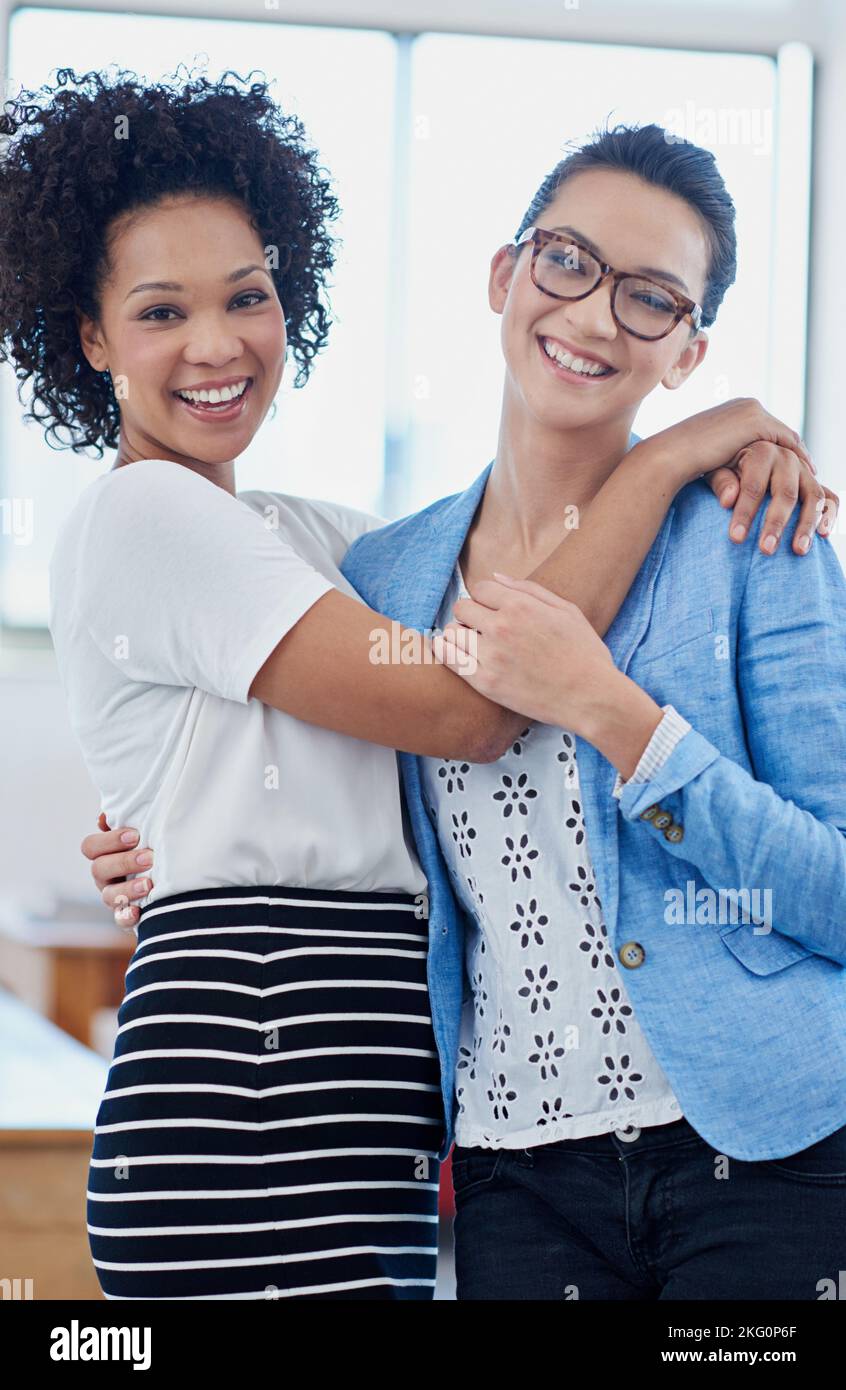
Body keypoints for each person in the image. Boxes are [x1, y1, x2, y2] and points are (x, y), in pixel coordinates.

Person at [64, 98, 834, 1301]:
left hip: (662, 1155)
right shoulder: (257, 543)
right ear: (505, 273)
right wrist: (689, 442)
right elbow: (463, 707)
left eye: (653, 297)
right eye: (566, 261)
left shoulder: (355, 550)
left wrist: (154, 825)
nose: (214, 344)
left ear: (687, 343)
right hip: (389, 1145)